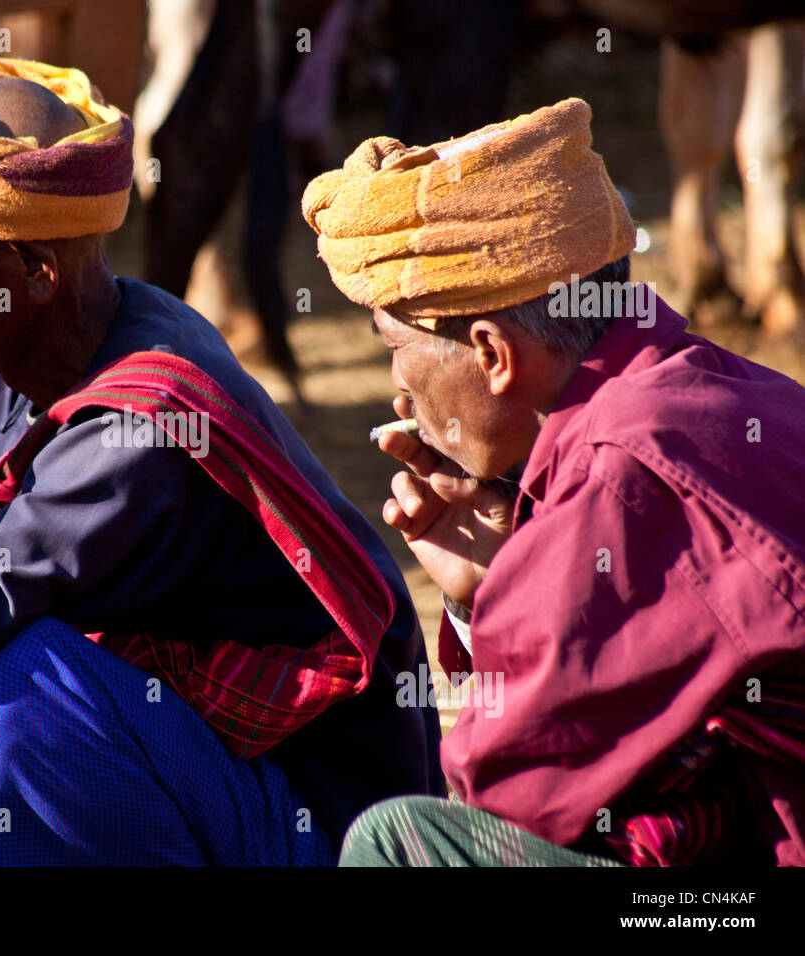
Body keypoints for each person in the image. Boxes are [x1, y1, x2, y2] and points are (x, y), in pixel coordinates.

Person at [0, 31, 444, 865]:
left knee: (17, 685)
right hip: (176, 761)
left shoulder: (138, 430)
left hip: (303, 823)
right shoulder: (40, 348)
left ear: (34, 269)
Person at [302, 97, 805, 867]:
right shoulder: (732, 389)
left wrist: (535, 584)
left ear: (492, 355)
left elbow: (509, 798)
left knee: (402, 845)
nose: (399, 393)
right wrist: (496, 589)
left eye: (395, 350)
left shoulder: (618, 478)